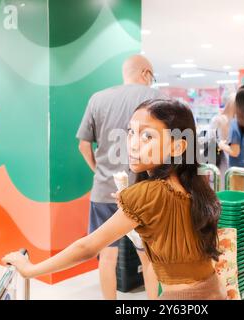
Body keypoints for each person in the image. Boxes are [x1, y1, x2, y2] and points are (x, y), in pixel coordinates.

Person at [2, 99, 226, 300]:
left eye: (147, 136)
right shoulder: (195, 187)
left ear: (178, 146)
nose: (134, 144)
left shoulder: (147, 194)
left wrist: (29, 269)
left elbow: (86, 247)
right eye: (131, 132)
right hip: (214, 290)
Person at [75, 55, 164, 300]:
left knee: (107, 256)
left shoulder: (98, 99)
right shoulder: (159, 100)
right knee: (149, 257)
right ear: (146, 73)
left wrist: (99, 171)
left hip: (104, 190)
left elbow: (83, 146)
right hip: (144, 193)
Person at [207, 93, 236, 190]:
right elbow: (209, 141)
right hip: (220, 161)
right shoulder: (218, 120)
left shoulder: (235, 121)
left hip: (227, 161)